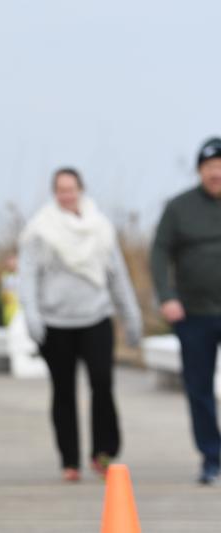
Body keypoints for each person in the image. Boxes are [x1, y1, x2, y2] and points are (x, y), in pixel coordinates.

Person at [18, 167, 142, 482]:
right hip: (55, 322)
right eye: (60, 189)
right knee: (63, 391)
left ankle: (104, 452)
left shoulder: (100, 228)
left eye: (71, 188)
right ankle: (69, 460)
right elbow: (29, 277)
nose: (66, 195)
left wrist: (132, 317)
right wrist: (32, 317)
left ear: (80, 190)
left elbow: (118, 276)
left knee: (102, 383)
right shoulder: (40, 230)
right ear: (54, 193)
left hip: (96, 317)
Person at [151, 137, 221, 485]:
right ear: (200, 171)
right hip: (194, 313)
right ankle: (211, 457)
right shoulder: (179, 207)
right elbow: (159, 252)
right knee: (199, 387)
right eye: (211, 167)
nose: (217, 173)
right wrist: (167, 295)